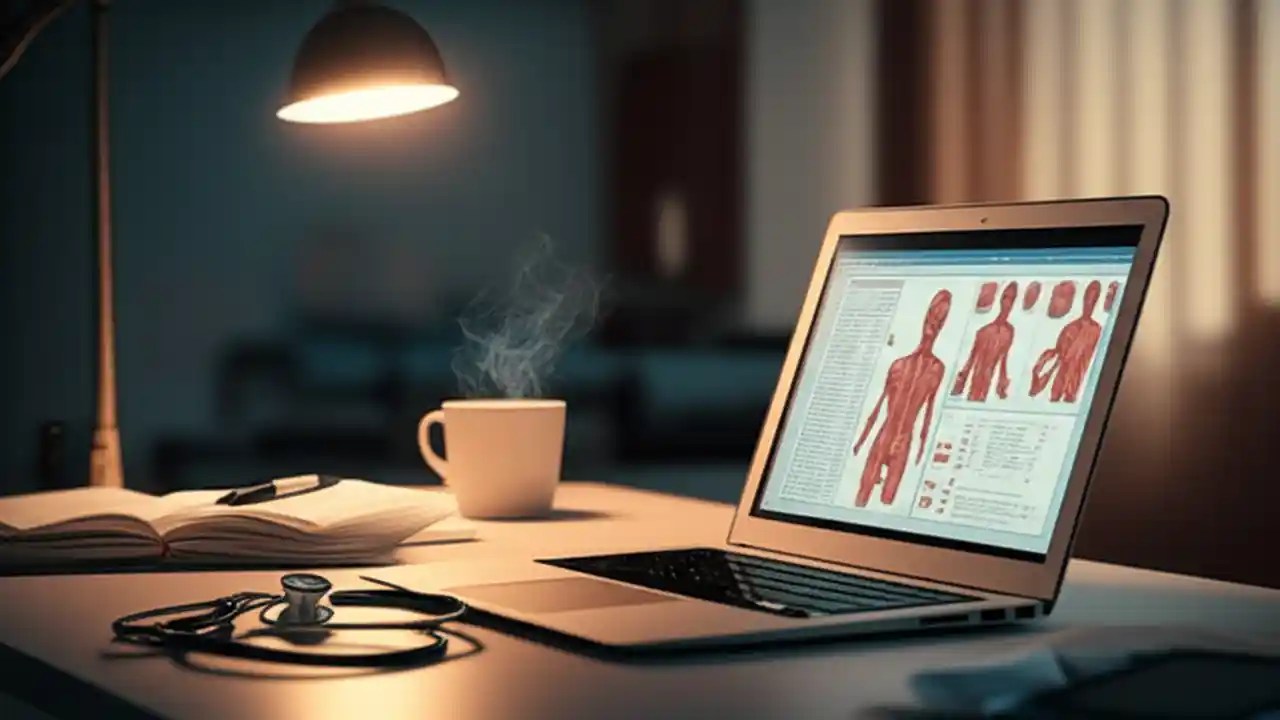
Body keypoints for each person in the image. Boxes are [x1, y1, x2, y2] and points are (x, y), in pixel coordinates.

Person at [852, 289, 951, 508]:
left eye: (939, 320)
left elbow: (929, 410)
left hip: (905, 438)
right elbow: (878, 407)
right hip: (885, 435)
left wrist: (922, 445)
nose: (933, 324)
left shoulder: (937, 369)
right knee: (863, 495)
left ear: (942, 326)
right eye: (932, 316)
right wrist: (862, 439)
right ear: (925, 317)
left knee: (888, 498)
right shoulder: (899, 364)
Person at [1030, 280, 1103, 402]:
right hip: (1060, 382)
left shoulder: (1096, 330)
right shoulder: (1070, 328)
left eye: (1093, 299)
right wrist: (1039, 371)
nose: (1089, 303)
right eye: (1087, 298)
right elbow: (1058, 355)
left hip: (1076, 385)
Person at [951, 281, 1018, 402]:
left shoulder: (1009, 331)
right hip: (976, 377)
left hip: (989, 380)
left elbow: (1004, 358)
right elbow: (971, 359)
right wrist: (961, 381)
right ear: (1000, 299)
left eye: (1011, 299)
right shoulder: (983, 331)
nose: (1007, 303)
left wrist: (1002, 383)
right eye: (1005, 298)